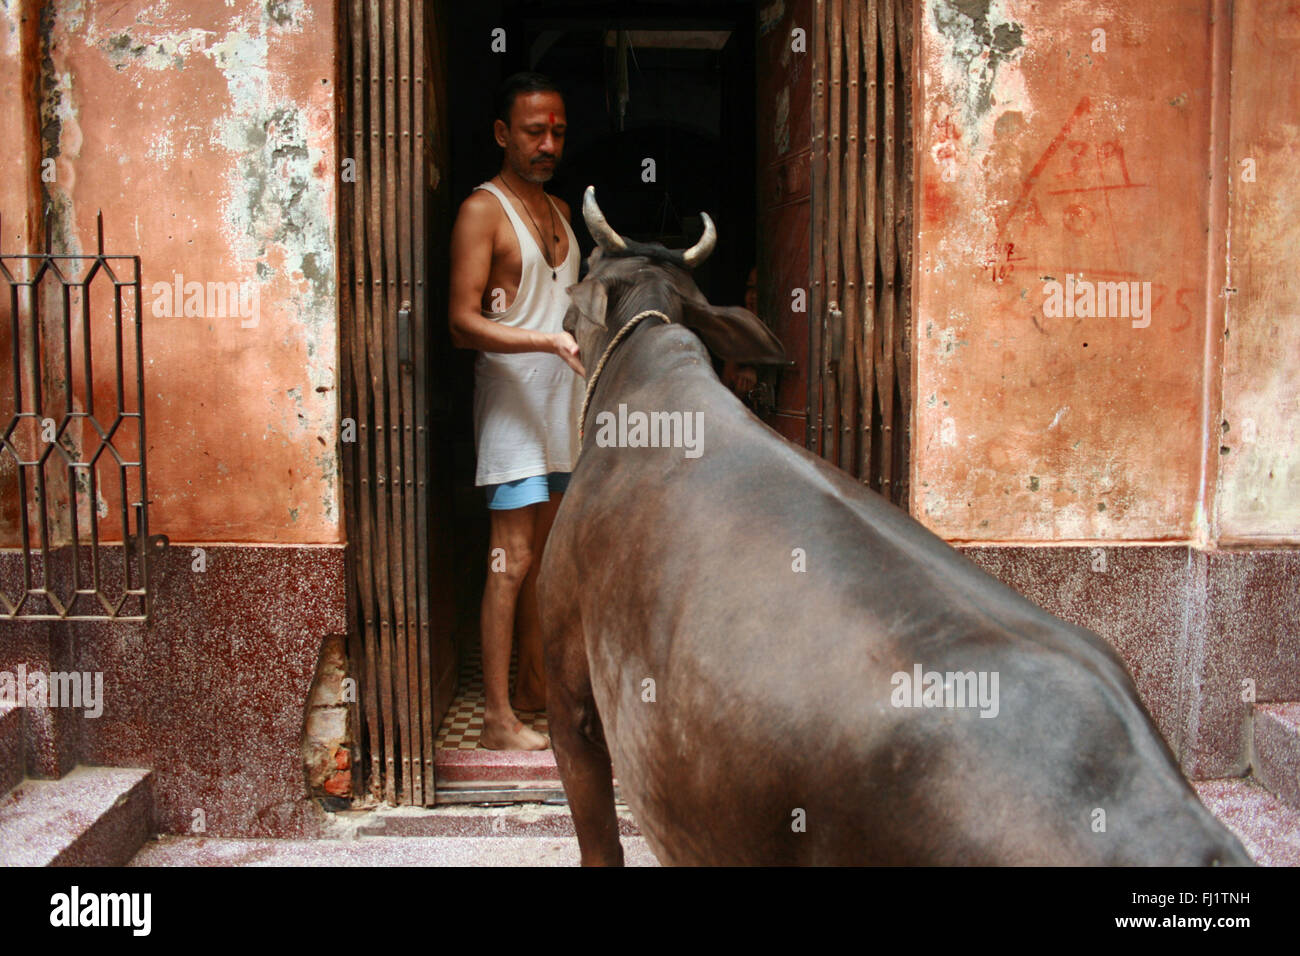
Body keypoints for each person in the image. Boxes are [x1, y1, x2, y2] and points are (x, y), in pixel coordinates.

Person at [447, 72, 584, 751]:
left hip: (565, 409)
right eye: (534, 131)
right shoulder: (483, 210)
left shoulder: (561, 210)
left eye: (557, 131)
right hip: (512, 410)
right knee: (512, 558)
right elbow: (459, 323)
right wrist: (544, 339)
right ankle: (499, 720)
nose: (547, 143)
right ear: (504, 133)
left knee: (548, 560)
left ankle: (534, 687)